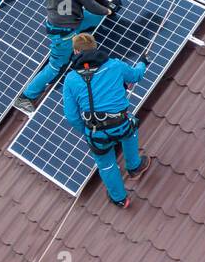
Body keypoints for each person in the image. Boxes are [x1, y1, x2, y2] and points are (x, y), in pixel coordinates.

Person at [12, 0, 117, 112]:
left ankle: (88, 27)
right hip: (63, 32)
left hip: (68, 16)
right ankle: (26, 96)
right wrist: (109, 10)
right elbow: (90, 5)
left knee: (98, 18)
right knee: (56, 66)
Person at [62, 32, 147, 208]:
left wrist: (87, 131)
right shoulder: (114, 66)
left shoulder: (71, 79)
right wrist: (143, 62)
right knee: (130, 128)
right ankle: (134, 167)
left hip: (96, 133)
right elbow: (136, 76)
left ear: (76, 52)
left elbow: (71, 116)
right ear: (95, 47)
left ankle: (120, 199)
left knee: (106, 164)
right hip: (120, 123)